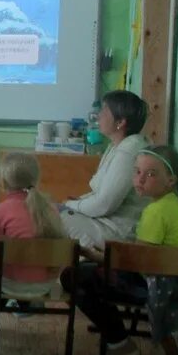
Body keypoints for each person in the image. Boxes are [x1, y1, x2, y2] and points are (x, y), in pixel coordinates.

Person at [64, 145, 178, 355]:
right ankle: (118, 337)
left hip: (159, 289)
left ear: (171, 180)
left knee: (73, 276)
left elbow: (134, 262)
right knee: (88, 270)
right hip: (176, 284)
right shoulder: (174, 205)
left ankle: (119, 341)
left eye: (151, 174)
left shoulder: (157, 211)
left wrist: (92, 254)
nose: (140, 179)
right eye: (136, 172)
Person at [0, 153, 66, 334]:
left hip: (11, 286)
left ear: (3, 182)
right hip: (48, 285)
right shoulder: (51, 208)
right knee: (16, 266)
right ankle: (24, 307)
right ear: (35, 178)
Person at [61, 90, 150, 247]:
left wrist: (70, 205)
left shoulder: (129, 151)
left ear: (120, 122)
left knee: (49, 220)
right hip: (106, 222)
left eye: (104, 110)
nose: (98, 115)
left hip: (116, 231)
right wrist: (80, 201)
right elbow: (101, 193)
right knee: (49, 212)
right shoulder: (117, 145)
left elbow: (104, 204)